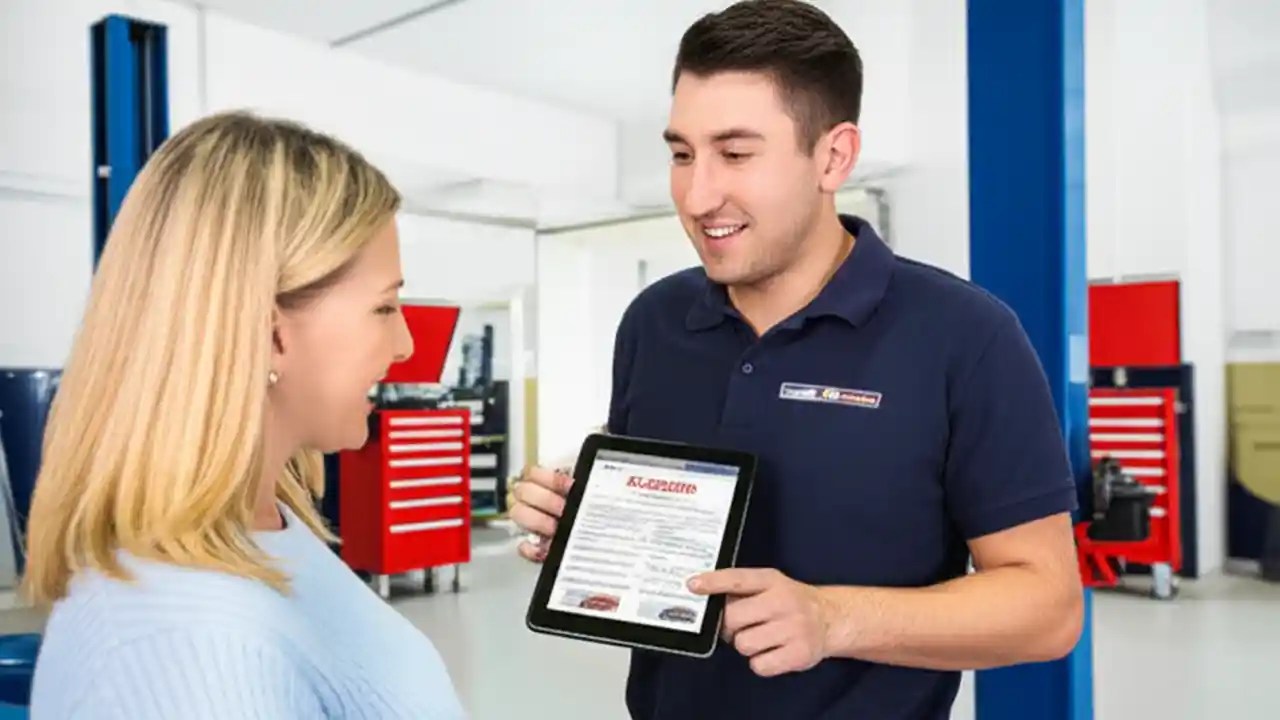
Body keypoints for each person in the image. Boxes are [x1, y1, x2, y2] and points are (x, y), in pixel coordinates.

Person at [510, 2, 1085, 718]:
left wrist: (831, 618)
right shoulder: (654, 322)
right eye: (682, 153)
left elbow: (1048, 607)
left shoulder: (966, 335)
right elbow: (671, 521)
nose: (697, 195)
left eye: (736, 153)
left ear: (834, 156)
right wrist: (586, 527)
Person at [22, 111, 466, 719]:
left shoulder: (263, 527)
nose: (406, 345)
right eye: (385, 308)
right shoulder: (184, 644)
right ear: (269, 331)